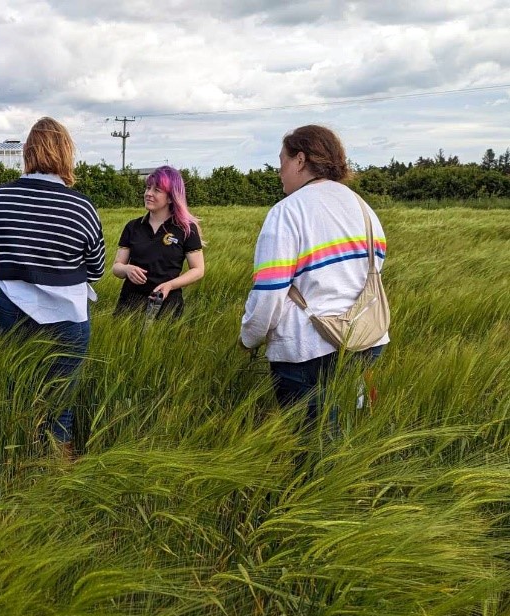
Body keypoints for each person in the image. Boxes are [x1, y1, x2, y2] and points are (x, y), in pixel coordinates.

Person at [240, 124, 388, 433]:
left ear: (300, 160)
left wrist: (249, 338)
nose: (279, 171)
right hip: (366, 341)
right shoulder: (364, 209)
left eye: (282, 161)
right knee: (347, 436)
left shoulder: (287, 212)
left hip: (308, 350)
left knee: (311, 451)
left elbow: (269, 292)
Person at [0, 117, 106, 458]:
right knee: (61, 395)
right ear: (67, 154)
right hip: (68, 313)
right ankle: (57, 465)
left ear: (27, 153)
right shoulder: (81, 206)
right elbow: (96, 266)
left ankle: (14, 457)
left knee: (17, 387)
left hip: (12, 307)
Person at [112, 166, 205, 317]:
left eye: (157, 190)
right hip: (129, 306)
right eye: (148, 188)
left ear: (170, 197)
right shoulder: (132, 227)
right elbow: (117, 267)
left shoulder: (186, 229)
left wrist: (170, 285)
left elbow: (198, 270)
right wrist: (127, 270)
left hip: (167, 306)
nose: (148, 194)